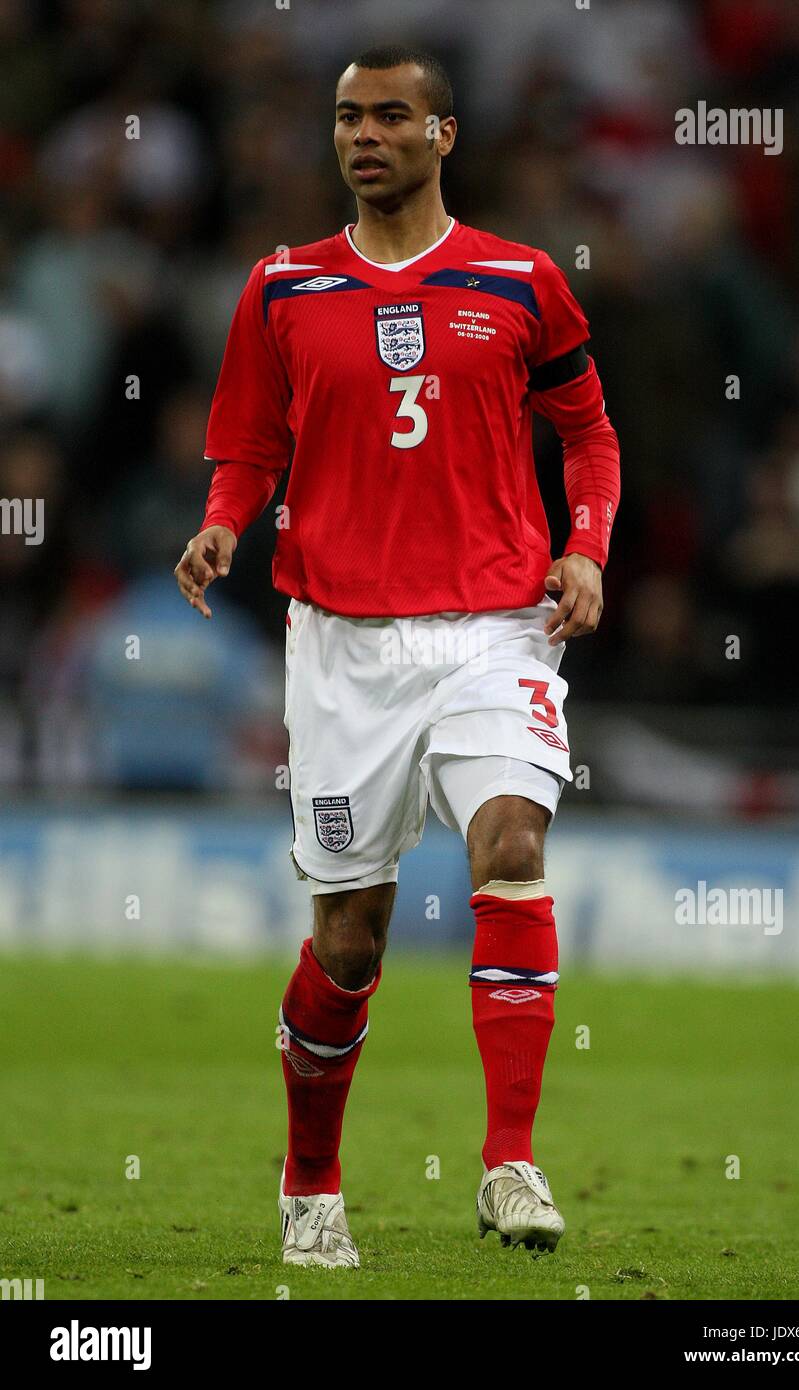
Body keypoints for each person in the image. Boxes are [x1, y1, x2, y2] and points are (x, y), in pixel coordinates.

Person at [175, 45, 620, 1268]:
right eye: (345, 117)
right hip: (341, 642)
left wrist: (583, 549)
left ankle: (509, 1162)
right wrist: (222, 522)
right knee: (348, 940)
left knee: (513, 846)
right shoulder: (280, 288)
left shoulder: (521, 281)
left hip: (493, 624)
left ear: (443, 133)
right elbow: (246, 446)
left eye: (388, 116)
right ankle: (309, 1180)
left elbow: (587, 435)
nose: (362, 135)